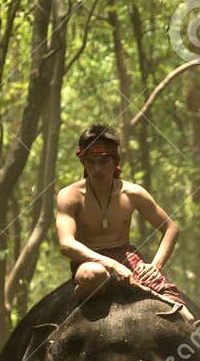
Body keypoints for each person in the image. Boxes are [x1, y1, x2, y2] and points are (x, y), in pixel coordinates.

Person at [55, 124, 189, 311]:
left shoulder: (133, 193)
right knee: (93, 274)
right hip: (89, 261)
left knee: (184, 314)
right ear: (83, 161)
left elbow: (171, 228)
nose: (97, 169)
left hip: (128, 259)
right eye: (91, 162)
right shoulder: (69, 195)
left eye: (103, 161)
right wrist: (111, 264)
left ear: (115, 160)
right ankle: (82, 293)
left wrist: (155, 265)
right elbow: (66, 244)